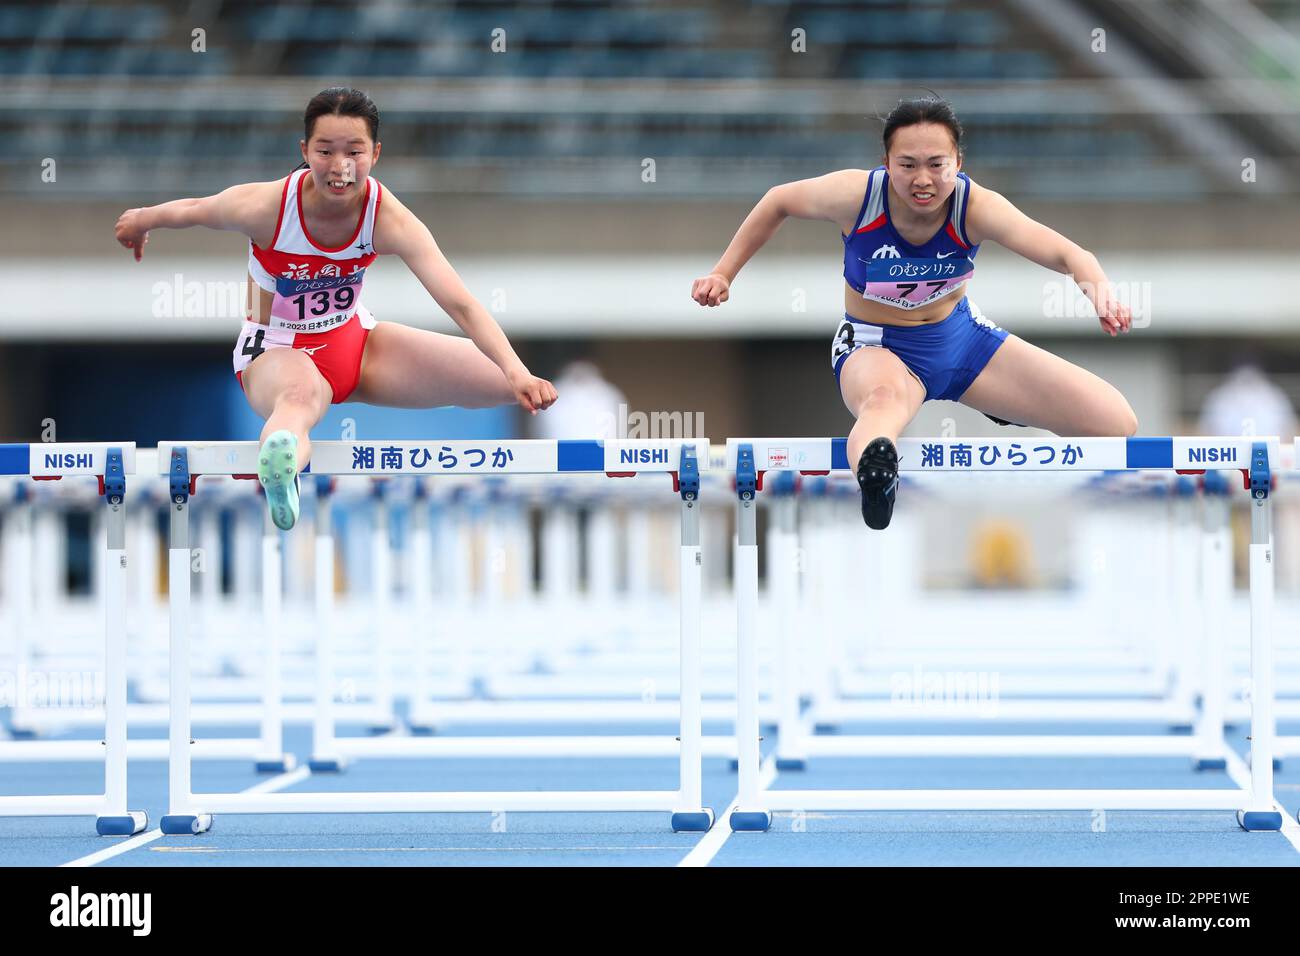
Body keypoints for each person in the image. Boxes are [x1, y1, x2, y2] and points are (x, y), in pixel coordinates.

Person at [114, 87, 557, 530]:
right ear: (305, 151)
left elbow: (458, 301)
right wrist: (141, 219)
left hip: (355, 342)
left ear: (375, 154)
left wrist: (518, 371)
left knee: (502, 380)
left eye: (354, 152)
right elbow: (196, 209)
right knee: (300, 400)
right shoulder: (267, 207)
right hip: (274, 348)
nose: (340, 166)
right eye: (325, 151)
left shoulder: (388, 218)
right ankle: (282, 468)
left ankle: (542, 483)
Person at [690, 95, 1137, 529]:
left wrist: (1099, 293)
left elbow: (1069, 253)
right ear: (886, 163)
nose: (922, 180)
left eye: (936, 165)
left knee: (1114, 424)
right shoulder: (855, 197)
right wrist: (724, 273)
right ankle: (877, 476)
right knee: (883, 406)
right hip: (878, 346)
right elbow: (778, 201)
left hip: (962, 341)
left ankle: (1005, 405)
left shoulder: (976, 207)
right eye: (907, 165)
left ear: (958, 164)